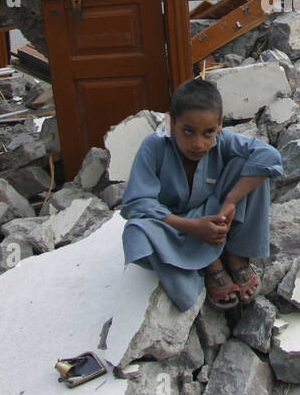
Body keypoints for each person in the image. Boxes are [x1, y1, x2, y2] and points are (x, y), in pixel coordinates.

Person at [120, 78, 283, 310]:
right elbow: (136, 203)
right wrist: (191, 226)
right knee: (136, 231)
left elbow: (270, 157)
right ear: (171, 122)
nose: (198, 143)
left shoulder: (222, 141)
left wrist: (230, 201)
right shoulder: (154, 146)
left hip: (214, 216)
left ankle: (235, 254)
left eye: (208, 133)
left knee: (251, 167)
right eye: (188, 131)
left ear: (220, 125)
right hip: (174, 225)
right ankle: (211, 263)